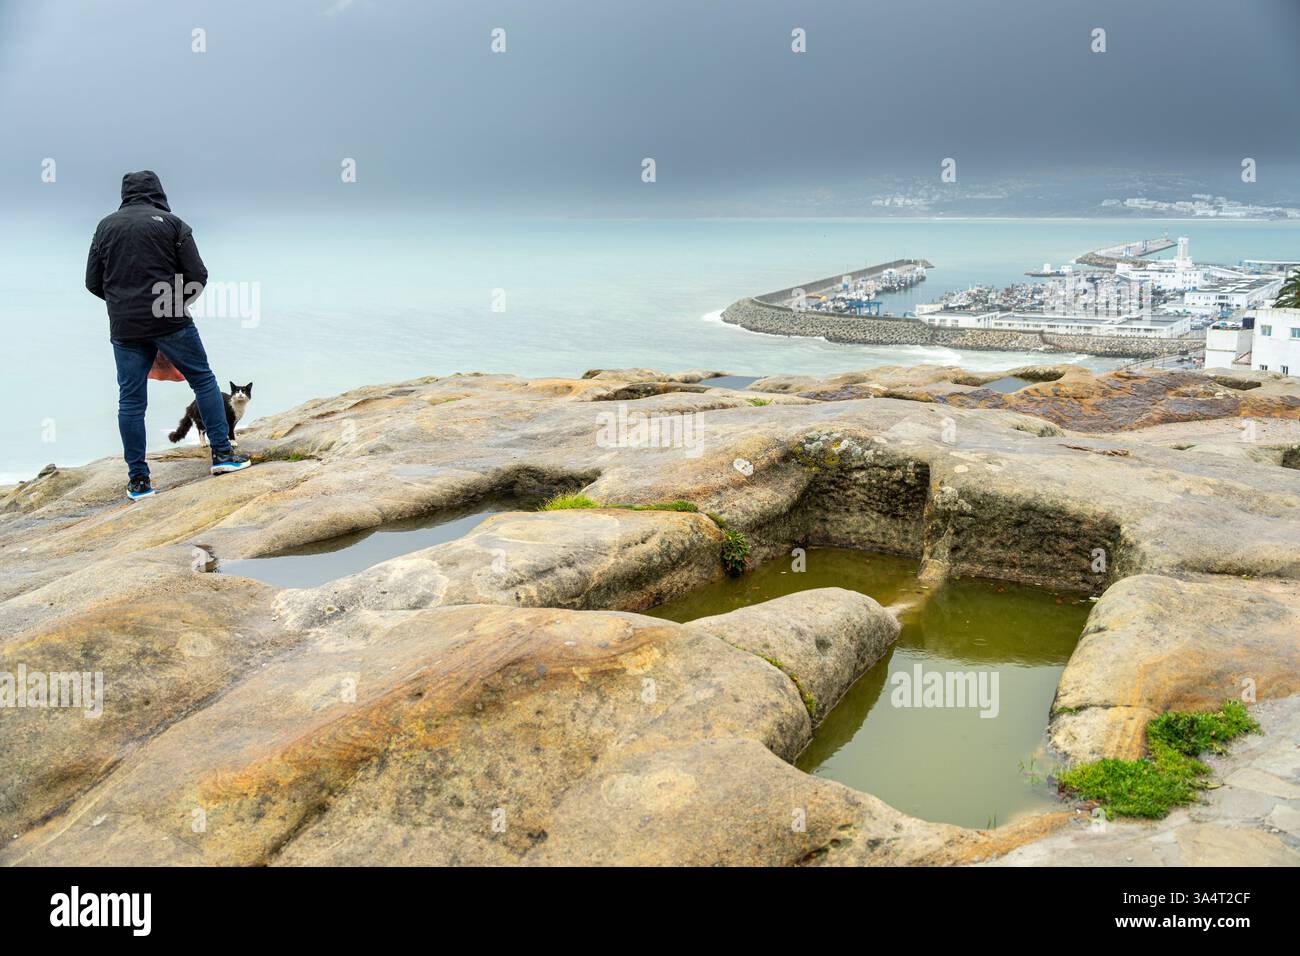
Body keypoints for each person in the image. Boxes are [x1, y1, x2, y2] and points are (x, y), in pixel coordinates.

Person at [86, 170, 251, 500]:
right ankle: (222, 456)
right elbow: (198, 274)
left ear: (125, 194)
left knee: (131, 402)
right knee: (203, 380)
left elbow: (93, 281)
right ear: (157, 192)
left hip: (125, 325)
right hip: (170, 317)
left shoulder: (105, 227)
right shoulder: (172, 223)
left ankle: (139, 482)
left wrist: (124, 302)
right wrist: (173, 302)